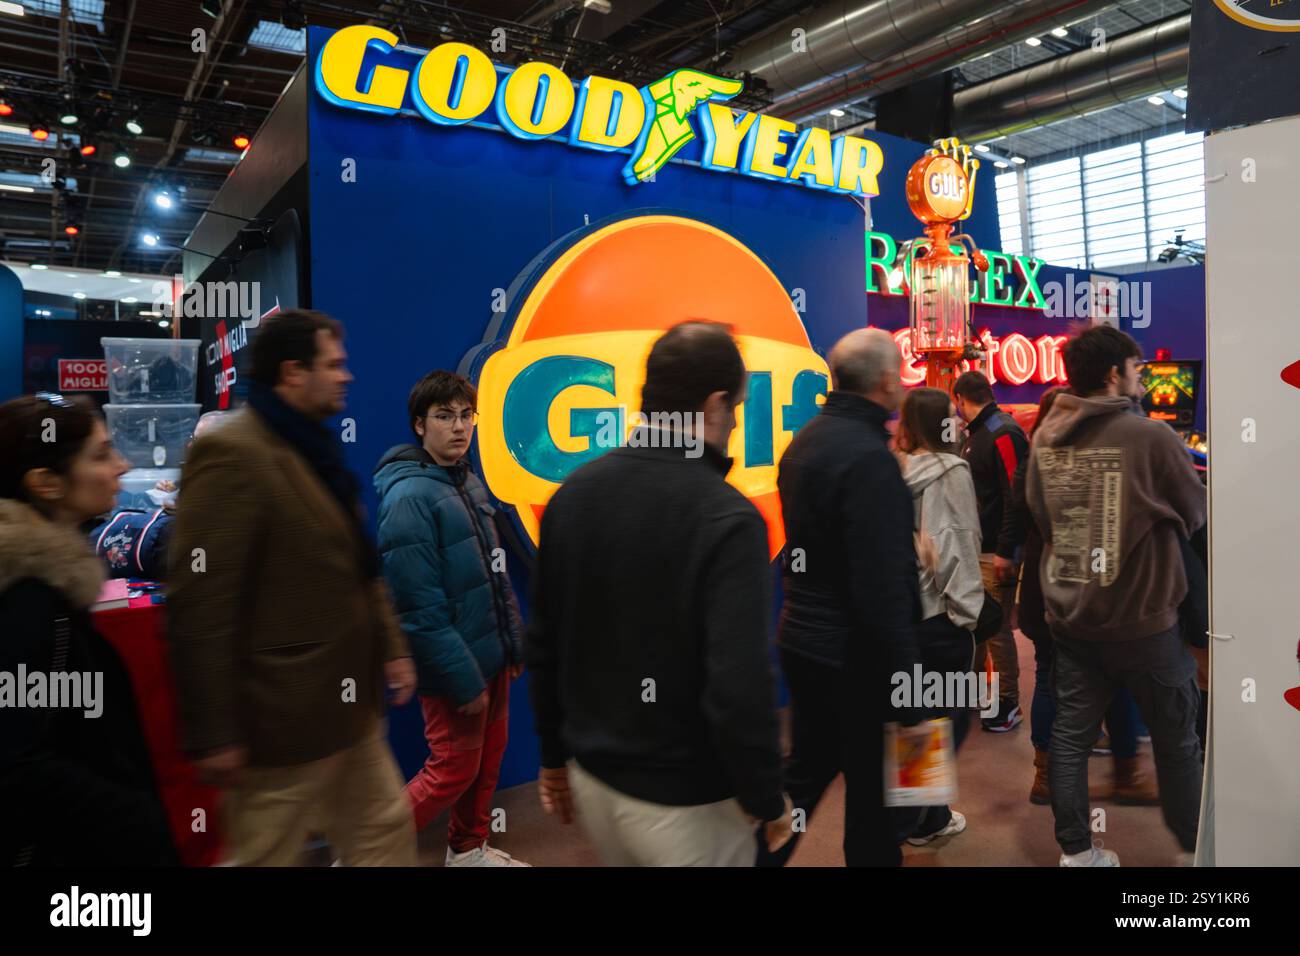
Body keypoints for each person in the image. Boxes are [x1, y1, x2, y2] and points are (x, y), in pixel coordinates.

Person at [527, 321, 791, 866]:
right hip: (688, 805)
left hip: (594, 783)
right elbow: (738, 684)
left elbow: (544, 645)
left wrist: (553, 758)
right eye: (738, 407)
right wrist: (765, 795)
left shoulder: (572, 497)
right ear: (717, 404)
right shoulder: (727, 517)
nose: (738, 423)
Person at [167, 310, 418, 867]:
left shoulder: (316, 451)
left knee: (384, 832)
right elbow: (200, 605)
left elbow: (358, 565)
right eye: (335, 365)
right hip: (278, 722)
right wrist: (215, 732)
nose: (347, 377)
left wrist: (393, 650)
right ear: (293, 373)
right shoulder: (234, 453)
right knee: (266, 855)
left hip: (348, 710)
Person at [1026, 326, 1206, 867]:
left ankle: (1077, 854)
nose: (1143, 376)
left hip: (1072, 618)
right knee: (1177, 742)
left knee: (1071, 741)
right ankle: (1196, 846)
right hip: (1143, 624)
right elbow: (1196, 514)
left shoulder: (1044, 436)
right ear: (1113, 374)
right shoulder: (1151, 437)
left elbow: (1040, 514)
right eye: (1137, 367)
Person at [763, 327, 924, 867]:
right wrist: (908, 680)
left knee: (805, 779)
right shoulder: (869, 459)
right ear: (885, 380)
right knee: (876, 806)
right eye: (899, 371)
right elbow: (881, 587)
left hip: (804, 640)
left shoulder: (805, 441)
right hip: (858, 659)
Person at [0, 394, 178, 866]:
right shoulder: (29, 601)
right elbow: (22, 761)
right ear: (45, 483)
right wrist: (141, 824)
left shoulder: (48, 586)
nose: (121, 466)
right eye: (101, 455)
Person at [373, 370, 528, 867]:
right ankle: (364, 855)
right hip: (454, 666)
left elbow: (493, 575)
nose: (459, 427)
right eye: (444, 416)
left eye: (466, 416)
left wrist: (512, 643)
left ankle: (467, 851)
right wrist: (462, 678)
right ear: (420, 425)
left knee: (484, 764)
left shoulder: (468, 482)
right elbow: (417, 608)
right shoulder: (408, 498)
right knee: (452, 769)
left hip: (492, 653)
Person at [1007, 387, 1156, 807]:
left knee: (1051, 676)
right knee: (1111, 676)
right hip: (1090, 595)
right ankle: (1122, 769)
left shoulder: (1037, 458)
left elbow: (1021, 515)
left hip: (1045, 589)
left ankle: (1048, 775)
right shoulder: (1093, 458)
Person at [894, 386, 983, 846]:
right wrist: (968, 614)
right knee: (949, 718)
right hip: (943, 614)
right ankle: (921, 817)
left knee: (919, 715)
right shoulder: (952, 471)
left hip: (908, 612)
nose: (960, 422)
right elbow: (958, 545)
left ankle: (925, 814)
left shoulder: (897, 470)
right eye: (952, 415)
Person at [953, 370, 1028, 733]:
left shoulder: (1002, 433)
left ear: (960, 400)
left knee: (996, 629)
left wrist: (1006, 550)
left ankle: (1008, 702)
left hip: (993, 552)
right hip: (976, 549)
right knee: (975, 626)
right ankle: (973, 694)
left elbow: (1017, 497)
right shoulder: (980, 434)